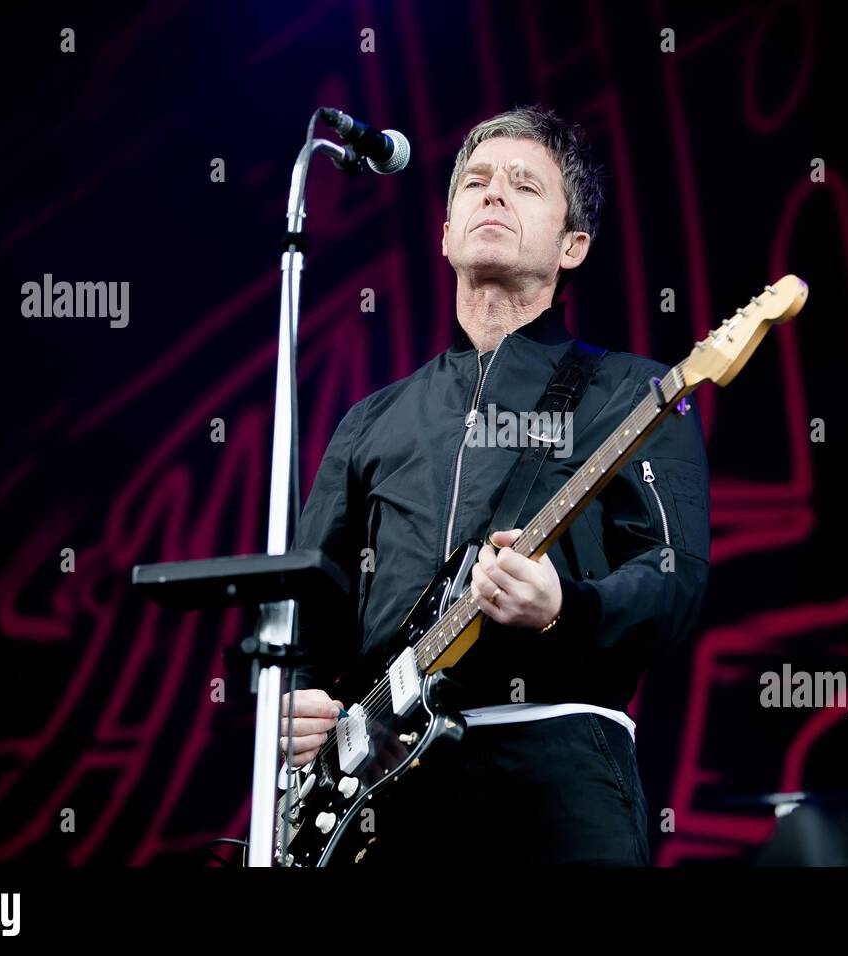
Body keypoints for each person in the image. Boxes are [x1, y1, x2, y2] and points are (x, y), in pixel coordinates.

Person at [279, 105, 710, 865]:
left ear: (573, 245)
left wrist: (565, 608)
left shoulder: (635, 393)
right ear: (445, 235)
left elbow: (674, 582)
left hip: (557, 772)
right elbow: (302, 616)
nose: (493, 195)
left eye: (524, 185)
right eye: (475, 183)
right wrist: (290, 709)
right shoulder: (373, 421)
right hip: (382, 792)